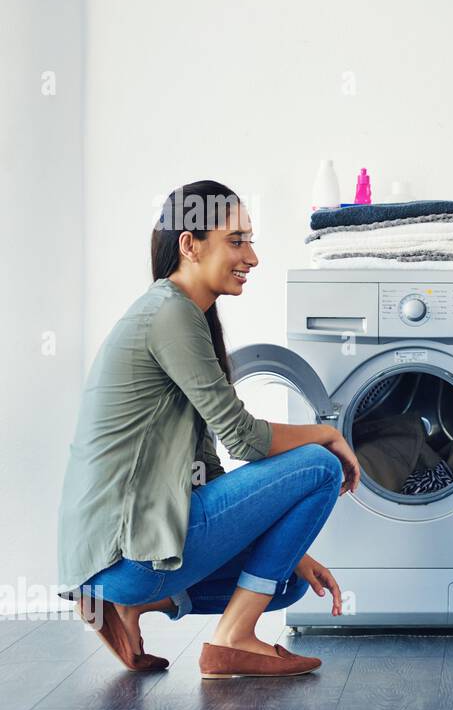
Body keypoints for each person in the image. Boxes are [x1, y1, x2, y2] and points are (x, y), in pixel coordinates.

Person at [55, 180, 361, 679]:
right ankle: (232, 641)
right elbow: (246, 438)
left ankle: (129, 609)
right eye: (237, 241)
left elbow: (209, 463)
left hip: (115, 565)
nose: (253, 258)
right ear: (190, 245)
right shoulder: (170, 314)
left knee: (286, 582)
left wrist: (292, 549)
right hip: (126, 553)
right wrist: (324, 434)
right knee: (321, 467)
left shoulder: (178, 313)